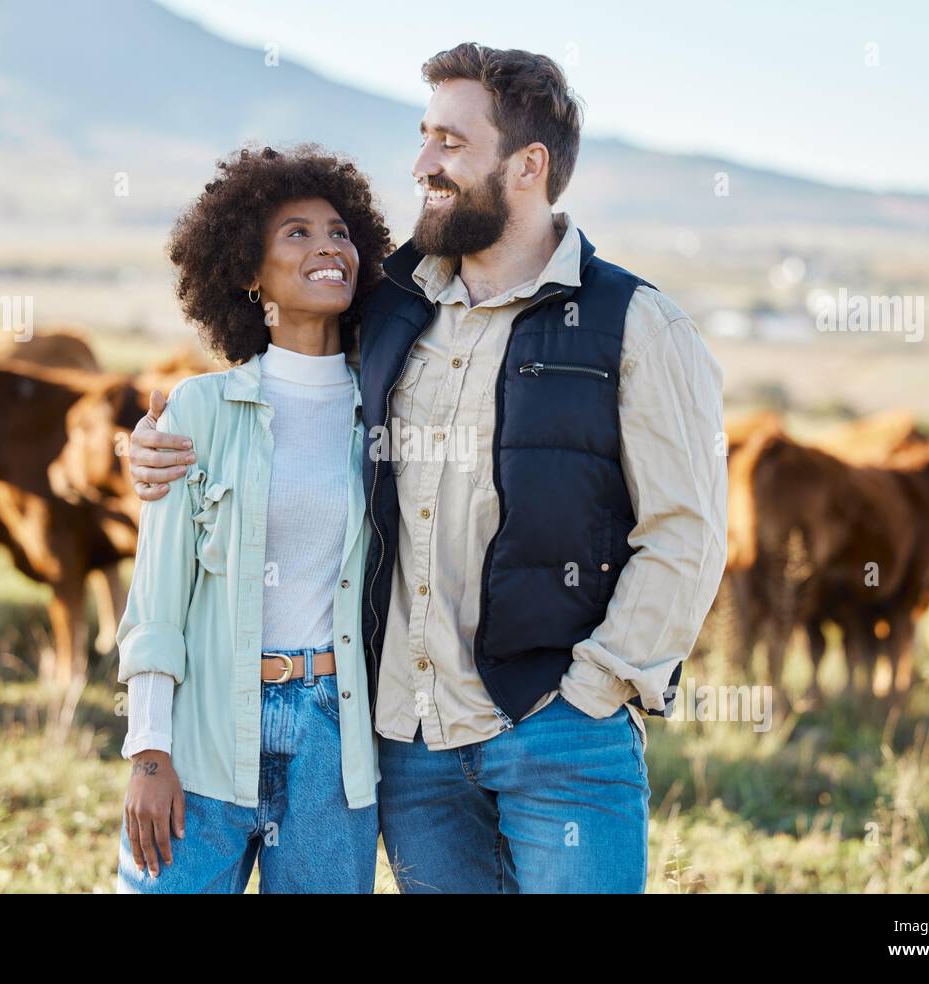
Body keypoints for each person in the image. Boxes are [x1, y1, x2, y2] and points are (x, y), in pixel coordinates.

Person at [130, 44, 727, 894]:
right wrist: (151, 452)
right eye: (422, 138)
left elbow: (686, 534)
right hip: (411, 754)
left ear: (528, 165)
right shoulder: (391, 306)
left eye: (449, 143)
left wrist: (591, 692)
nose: (421, 165)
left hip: (560, 740)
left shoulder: (639, 325)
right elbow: (271, 399)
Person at [115, 144, 392, 893]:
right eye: (296, 233)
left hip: (334, 744)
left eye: (339, 231)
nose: (328, 246)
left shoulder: (386, 412)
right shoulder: (199, 410)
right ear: (247, 271)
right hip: (204, 733)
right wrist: (149, 752)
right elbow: (157, 601)